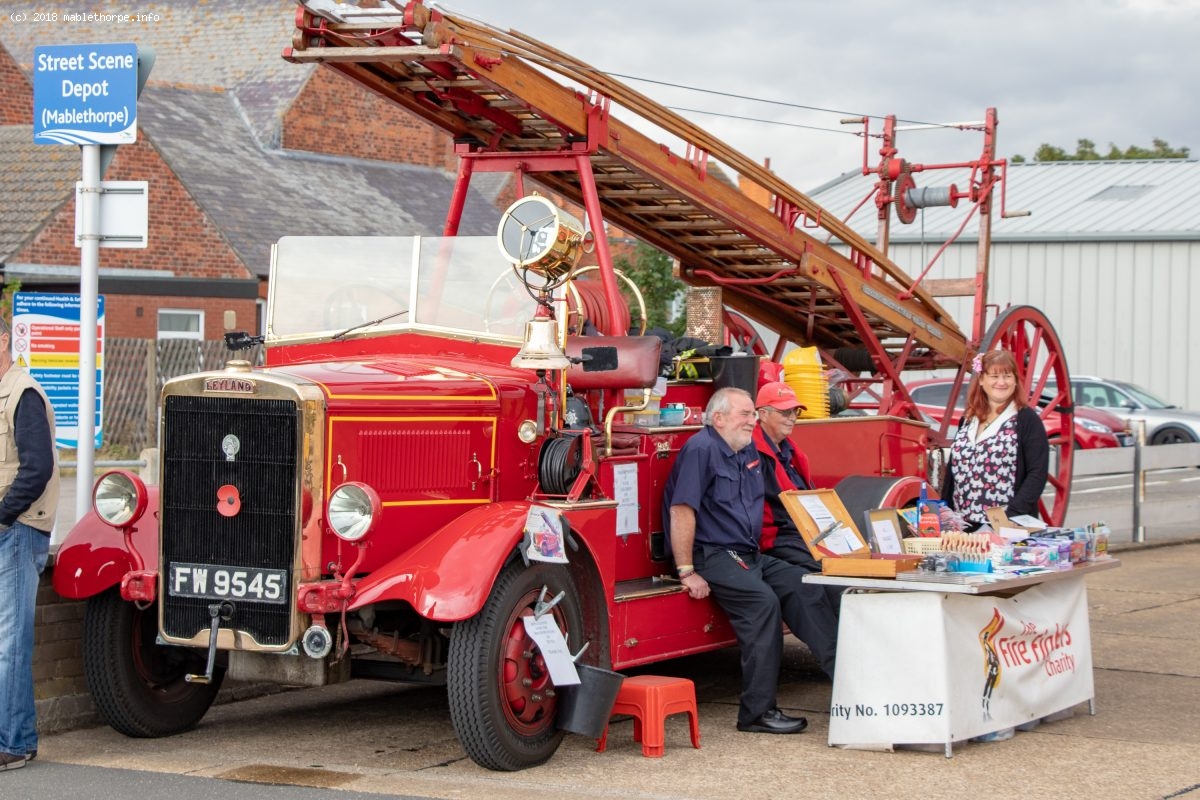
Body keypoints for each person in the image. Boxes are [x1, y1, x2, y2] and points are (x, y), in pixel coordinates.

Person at [663, 387, 838, 735]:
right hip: (711, 553)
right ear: (718, 418)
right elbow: (681, 509)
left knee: (802, 586)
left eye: (753, 414)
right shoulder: (702, 449)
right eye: (745, 414)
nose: (752, 420)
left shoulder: (745, 451)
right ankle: (757, 713)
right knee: (763, 604)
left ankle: (850, 684)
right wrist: (686, 571)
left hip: (749, 553)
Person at [0, 315, 59, 772]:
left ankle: (16, 743)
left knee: (10, 643)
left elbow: (35, 468)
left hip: (17, 532)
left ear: (4, 341)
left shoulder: (22, 392)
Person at [752, 381, 843, 614]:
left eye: (795, 411)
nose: (792, 417)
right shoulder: (751, 451)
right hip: (777, 537)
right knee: (832, 572)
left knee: (849, 566)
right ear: (763, 414)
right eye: (785, 412)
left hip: (804, 532)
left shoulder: (789, 450)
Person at [941, 349, 1050, 530]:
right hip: (963, 525)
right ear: (982, 380)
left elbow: (1037, 473)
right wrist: (945, 512)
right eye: (994, 376)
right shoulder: (968, 419)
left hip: (1007, 526)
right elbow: (953, 471)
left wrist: (1011, 517)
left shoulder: (1026, 419)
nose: (1001, 382)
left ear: (1015, 381)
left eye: (1007, 376)